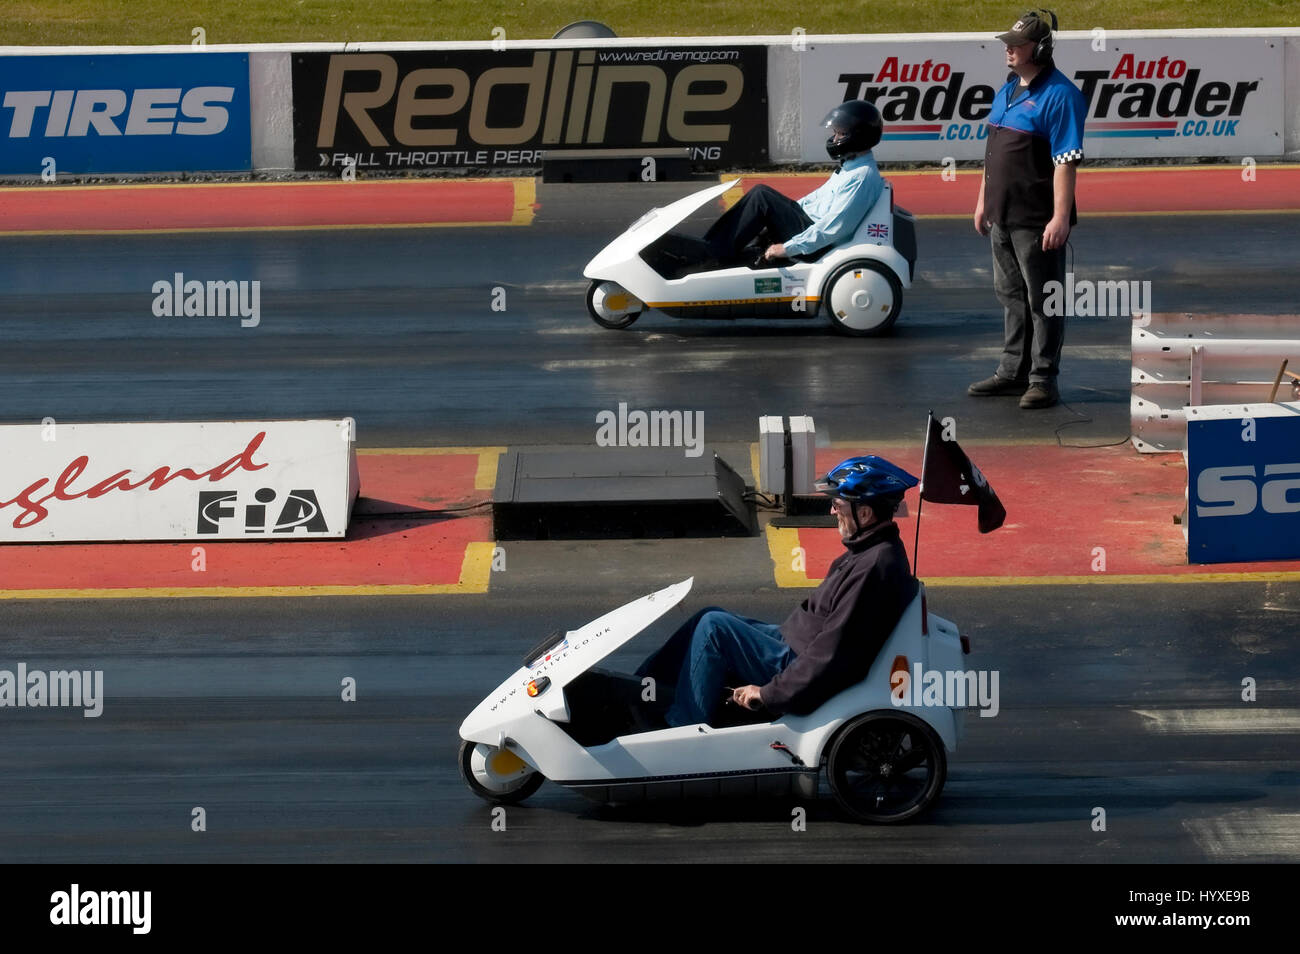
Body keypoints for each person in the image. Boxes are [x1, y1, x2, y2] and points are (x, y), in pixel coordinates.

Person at [636, 456, 920, 728]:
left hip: (797, 663)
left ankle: (682, 726)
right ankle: (640, 688)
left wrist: (769, 693)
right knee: (708, 616)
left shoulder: (873, 566)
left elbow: (831, 654)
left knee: (714, 629)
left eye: (837, 504)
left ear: (865, 513)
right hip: (793, 644)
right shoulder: (870, 550)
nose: (833, 511)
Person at [969, 10, 1086, 410]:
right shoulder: (1007, 89)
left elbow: (1065, 161)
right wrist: (983, 201)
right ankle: (1011, 372)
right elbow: (992, 153)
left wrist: (1059, 217)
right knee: (1010, 295)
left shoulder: (1061, 95)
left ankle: (1043, 379)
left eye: (1016, 45)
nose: (1009, 50)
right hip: (1002, 214)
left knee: (1043, 300)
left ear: (1041, 48)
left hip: (1035, 219)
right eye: (1007, 44)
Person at [705, 100, 885, 267]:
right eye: (835, 132)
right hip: (808, 226)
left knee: (762, 197)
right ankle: (713, 245)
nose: (835, 139)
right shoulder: (851, 166)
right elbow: (814, 200)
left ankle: (712, 252)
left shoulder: (861, 177)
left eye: (841, 133)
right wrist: (781, 215)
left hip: (819, 246)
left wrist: (787, 248)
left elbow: (833, 228)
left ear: (860, 137)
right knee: (762, 195)